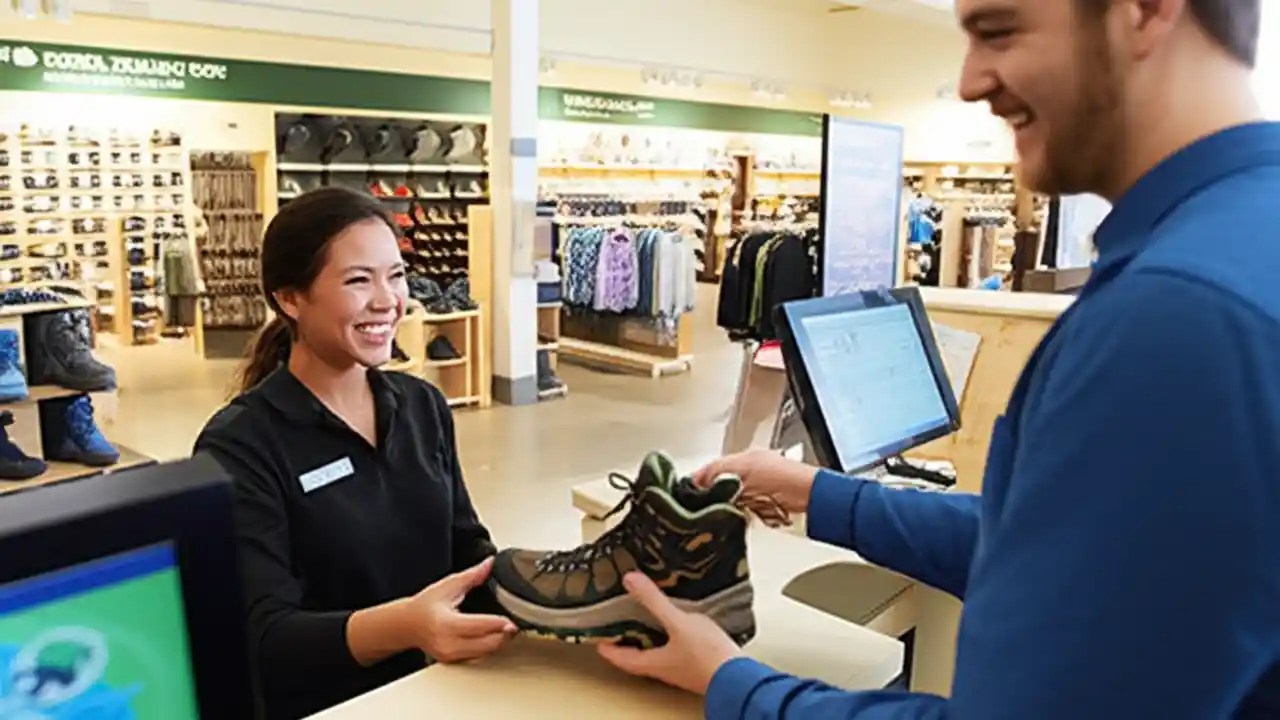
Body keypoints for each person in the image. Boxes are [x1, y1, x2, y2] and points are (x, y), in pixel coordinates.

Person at [598, 1, 1280, 718]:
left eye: (999, 31)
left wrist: (739, 688)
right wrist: (817, 493)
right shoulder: (1239, 242)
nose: (968, 81)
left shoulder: (1179, 318)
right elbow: (1070, 553)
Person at [194, 187, 516, 720]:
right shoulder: (240, 445)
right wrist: (409, 626)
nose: (388, 300)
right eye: (358, 280)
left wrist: (550, 586)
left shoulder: (422, 405)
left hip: (448, 690)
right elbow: (266, 639)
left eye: (395, 275)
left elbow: (466, 546)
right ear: (289, 298)